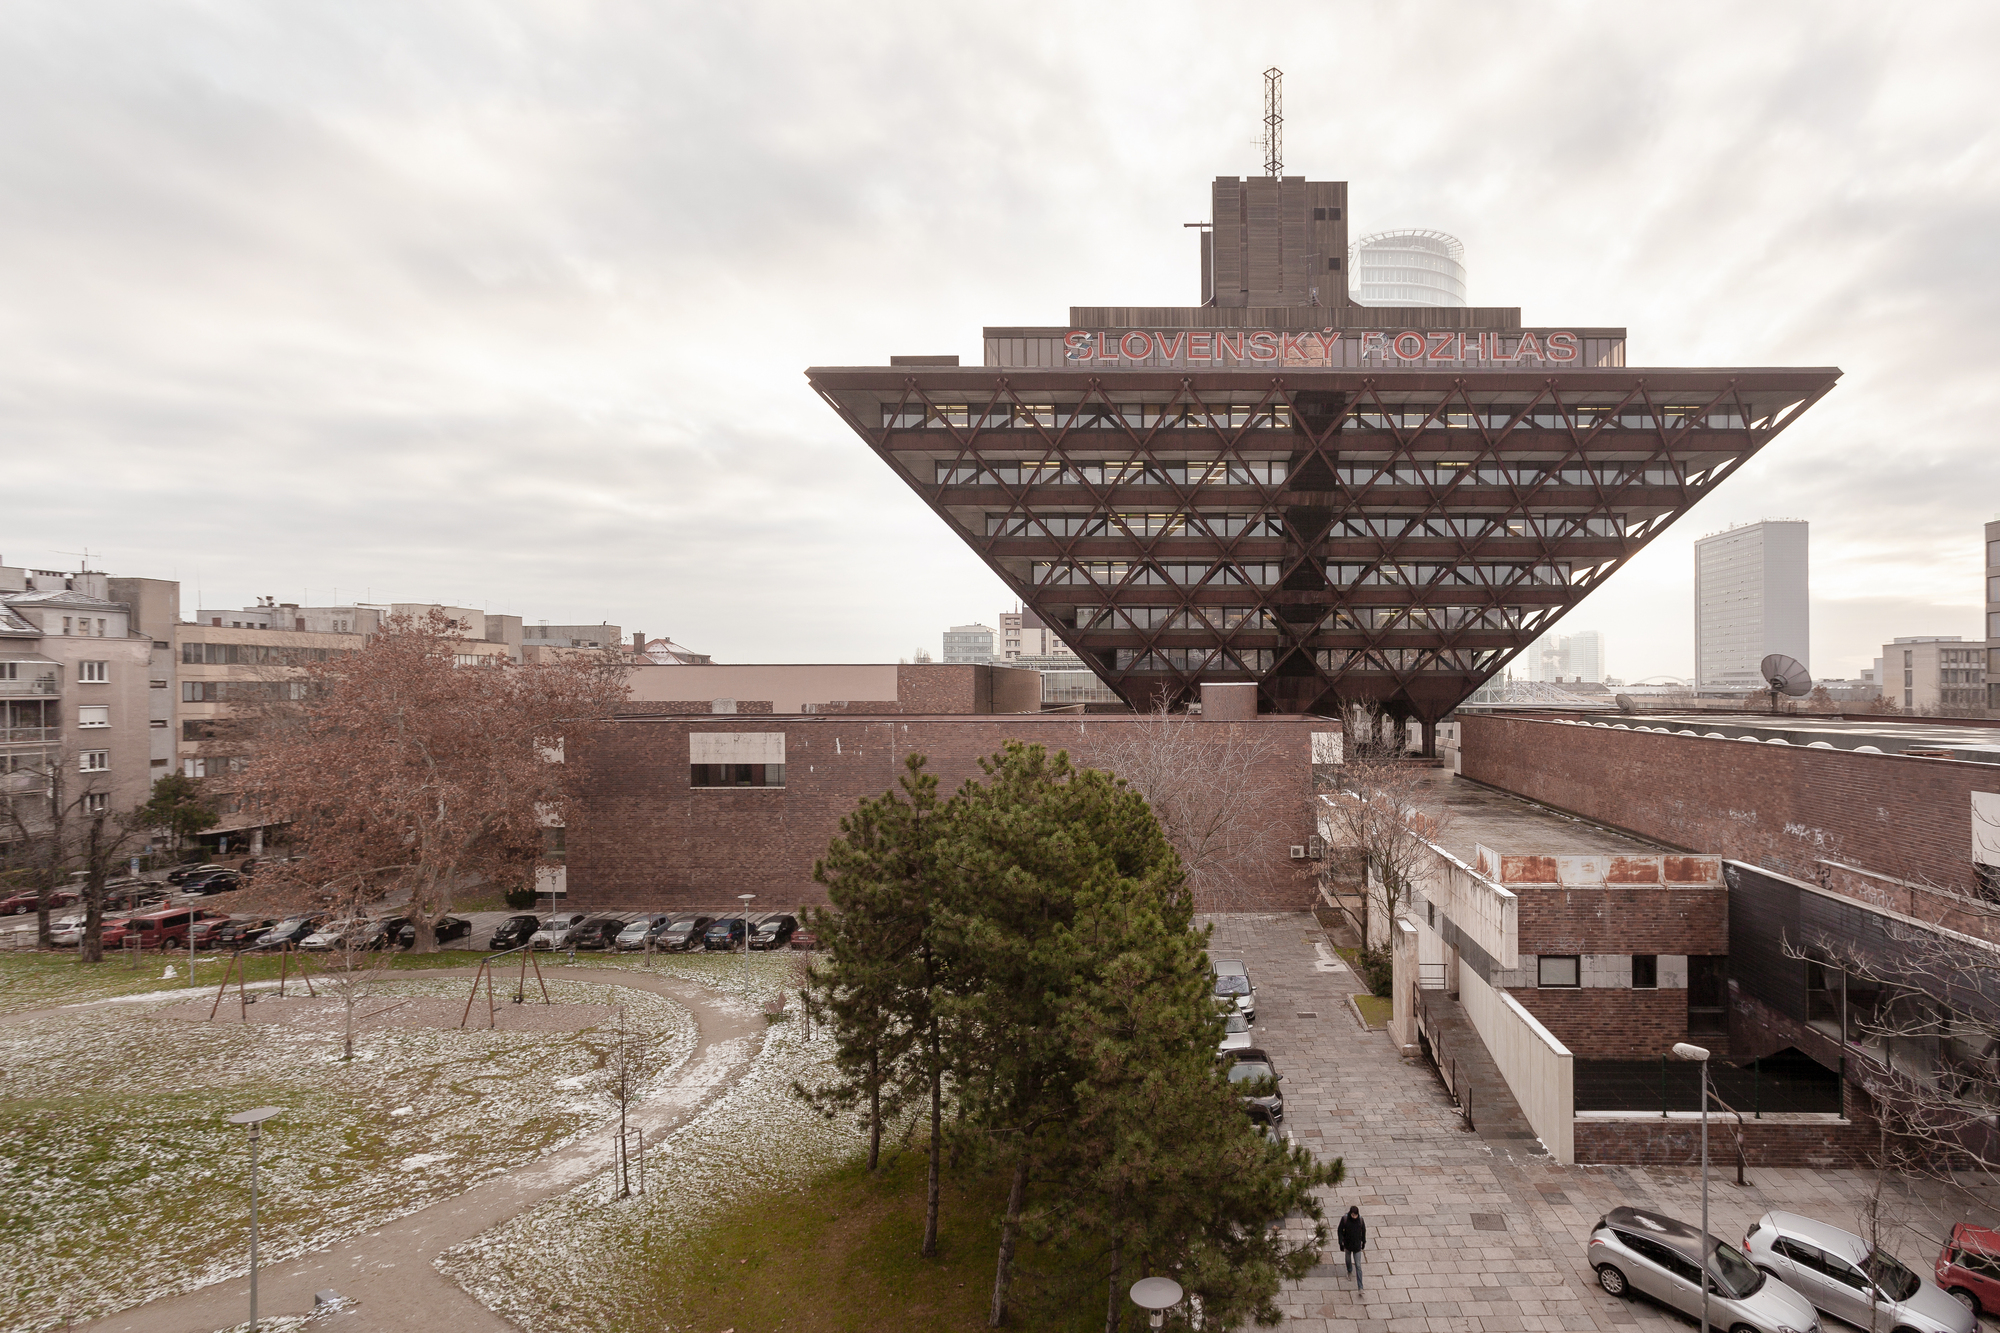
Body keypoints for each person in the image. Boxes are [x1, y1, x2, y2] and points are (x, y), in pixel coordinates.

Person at [1336, 1205, 1367, 1290]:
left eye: (1355, 1215)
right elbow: (1340, 1230)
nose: (1354, 1217)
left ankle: (1360, 1287)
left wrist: (1363, 1242)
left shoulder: (1360, 1220)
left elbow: (1363, 1231)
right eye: (1353, 1215)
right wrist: (1340, 1242)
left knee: (1358, 1265)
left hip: (1357, 1246)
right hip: (1347, 1245)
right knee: (1348, 1260)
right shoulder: (1345, 1219)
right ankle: (1349, 1270)